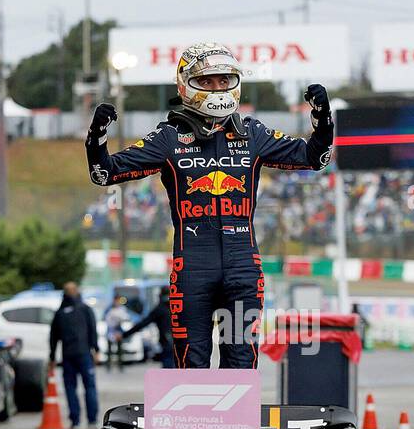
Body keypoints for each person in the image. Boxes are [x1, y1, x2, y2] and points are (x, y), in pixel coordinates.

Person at [86, 42, 333, 368]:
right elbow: (105, 173)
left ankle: (238, 420)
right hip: (192, 270)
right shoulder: (169, 137)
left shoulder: (252, 133)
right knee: (192, 364)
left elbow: (314, 157)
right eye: (206, 81)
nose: (216, 88)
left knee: (241, 362)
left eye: (223, 80)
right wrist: (97, 137)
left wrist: (323, 120)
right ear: (184, 85)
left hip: (243, 268)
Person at [49, 282, 100, 429]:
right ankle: (92, 420)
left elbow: (53, 337)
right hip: (84, 353)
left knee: (70, 388)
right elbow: (93, 331)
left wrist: (52, 357)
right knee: (89, 386)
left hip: (68, 355)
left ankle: (75, 420)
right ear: (77, 291)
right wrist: (96, 350)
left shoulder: (60, 313)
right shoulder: (85, 309)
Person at [119, 286, 175, 368]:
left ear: (160, 295)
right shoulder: (177, 308)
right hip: (180, 343)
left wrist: (124, 335)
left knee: (168, 371)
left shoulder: (160, 309)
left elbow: (142, 324)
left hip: (167, 343)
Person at [103, 294, 133, 371]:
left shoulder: (122, 308)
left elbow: (126, 317)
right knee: (109, 350)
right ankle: (108, 366)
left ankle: (120, 365)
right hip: (110, 330)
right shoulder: (109, 308)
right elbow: (106, 318)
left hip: (118, 330)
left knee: (120, 349)